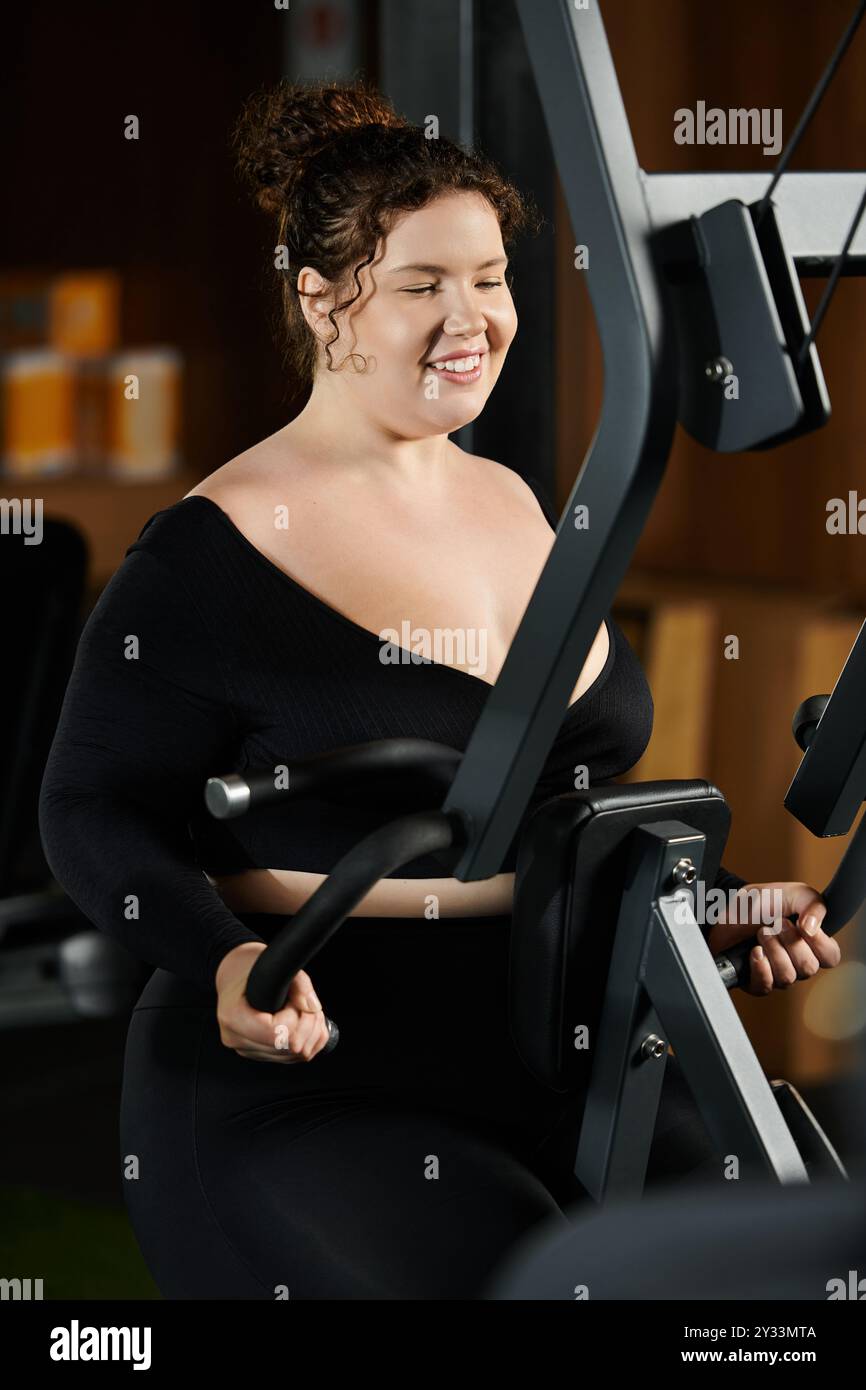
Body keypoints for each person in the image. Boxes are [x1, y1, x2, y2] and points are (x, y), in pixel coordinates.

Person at [37, 79, 841, 1301]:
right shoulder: (209, 553)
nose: (470, 317)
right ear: (321, 302)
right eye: (421, 285)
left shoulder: (516, 501)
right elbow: (92, 809)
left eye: (490, 278)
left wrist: (714, 906)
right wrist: (218, 963)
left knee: (773, 1285)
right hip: (323, 1077)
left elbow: (556, 797)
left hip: (565, 1043)